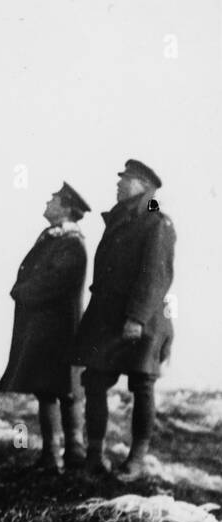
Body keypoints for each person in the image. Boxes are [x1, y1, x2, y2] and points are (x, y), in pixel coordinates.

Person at [72, 159, 176, 478]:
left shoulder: (157, 223)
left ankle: (136, 459)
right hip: (108, 320)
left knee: (142, 384)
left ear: (144, 187)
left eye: (126, 179)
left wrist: (136, 318)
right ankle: (93, 456)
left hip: (141, 321)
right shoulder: (121, 222)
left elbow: (155, 277)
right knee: (95, 380)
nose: (119, 184)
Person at [0, 182, 91, 472]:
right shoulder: (55, 238)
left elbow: (57, 280)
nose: (47, 202)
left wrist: (22, 292)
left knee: (65, 390)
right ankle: (52, 454)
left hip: (59, 330)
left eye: (53, 199)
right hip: (47, 329)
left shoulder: (71, 242)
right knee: (47, 389)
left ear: (65, 207)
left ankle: (73, 452)